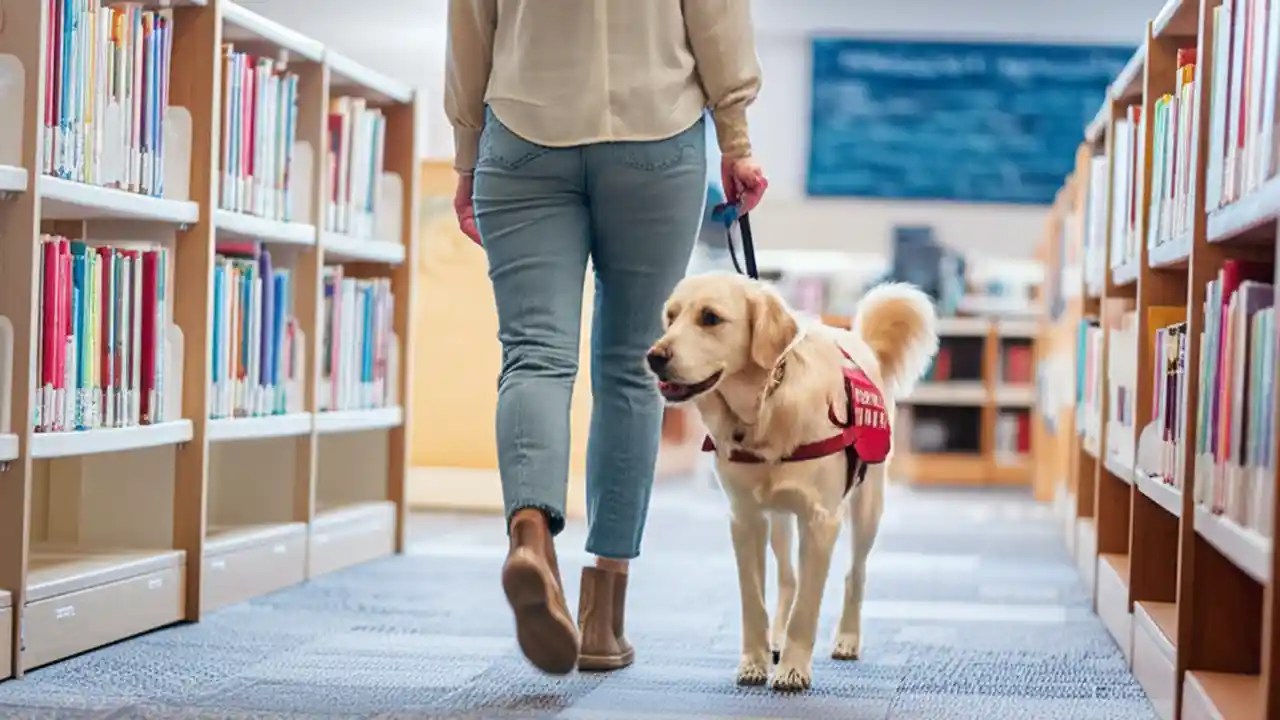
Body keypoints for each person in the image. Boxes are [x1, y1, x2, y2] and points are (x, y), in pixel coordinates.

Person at [445, 0, 768, 675]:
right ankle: (603, 618)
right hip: (656, 132)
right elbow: (716, 16)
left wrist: (467, 153)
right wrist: (735, 138)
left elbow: (471, 21)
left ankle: (530, 536)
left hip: (522, 131)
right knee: (631, 367)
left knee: (534, 356)